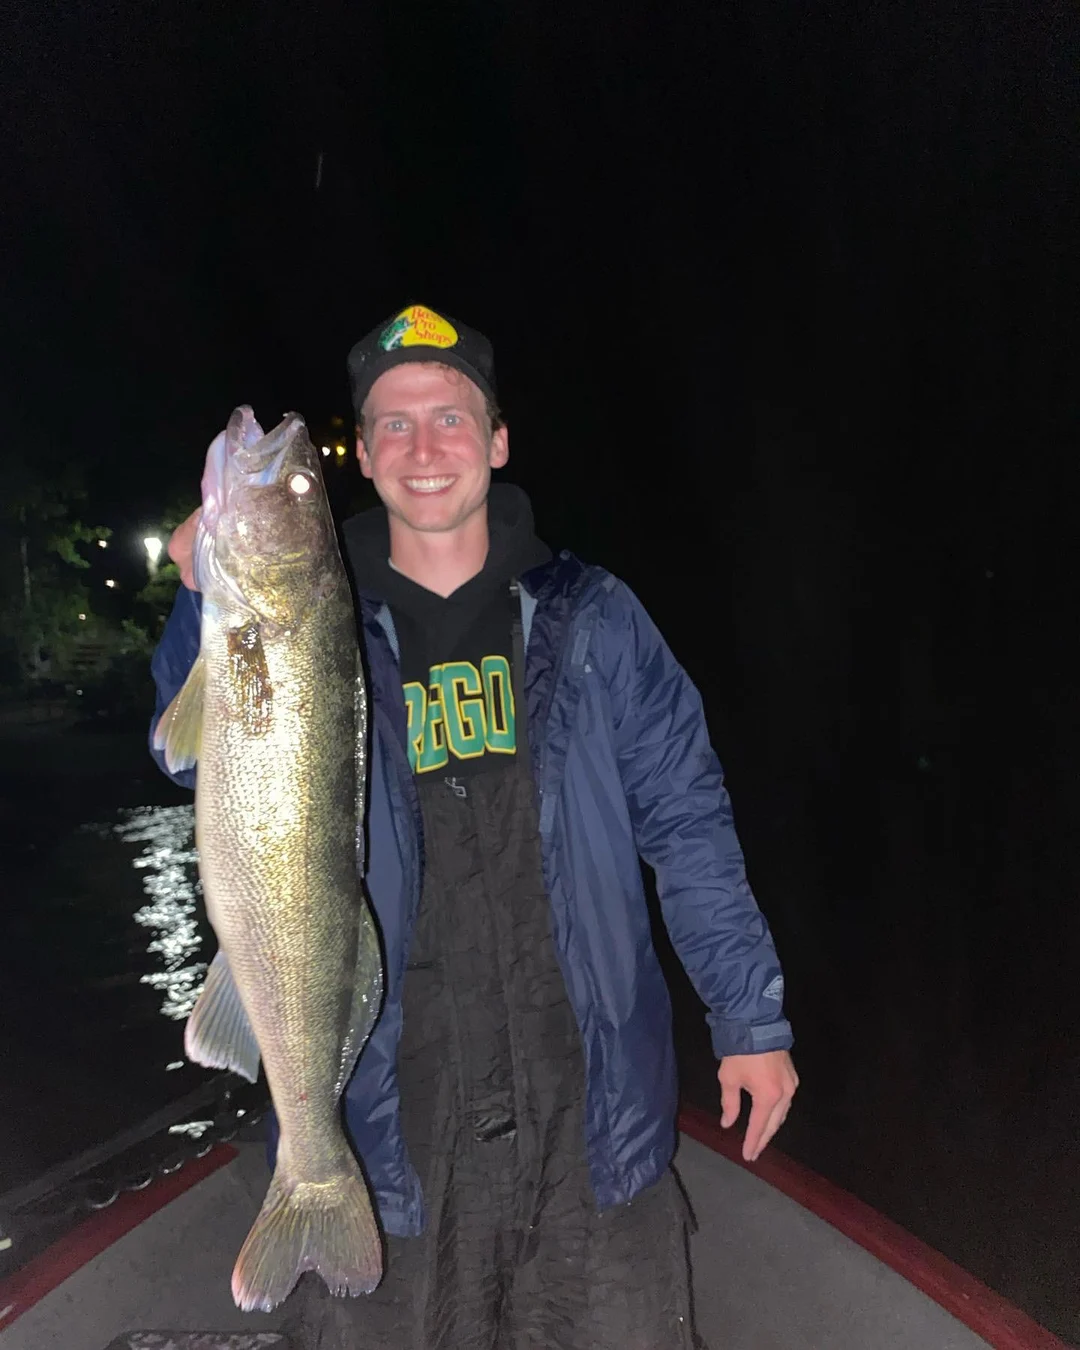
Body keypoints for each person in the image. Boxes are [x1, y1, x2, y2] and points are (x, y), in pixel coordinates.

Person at [150, 302, 798, 1349]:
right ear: (362, 455)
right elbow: (185, 743)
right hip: (389, 1110)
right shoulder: (324, 624)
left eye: (450, 417)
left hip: (593, 1108)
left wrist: (749, 1018)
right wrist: (196, 592)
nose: (423, 447)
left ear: (497, 440)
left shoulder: (595, 616)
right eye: (392, 425)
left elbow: (688, 822)